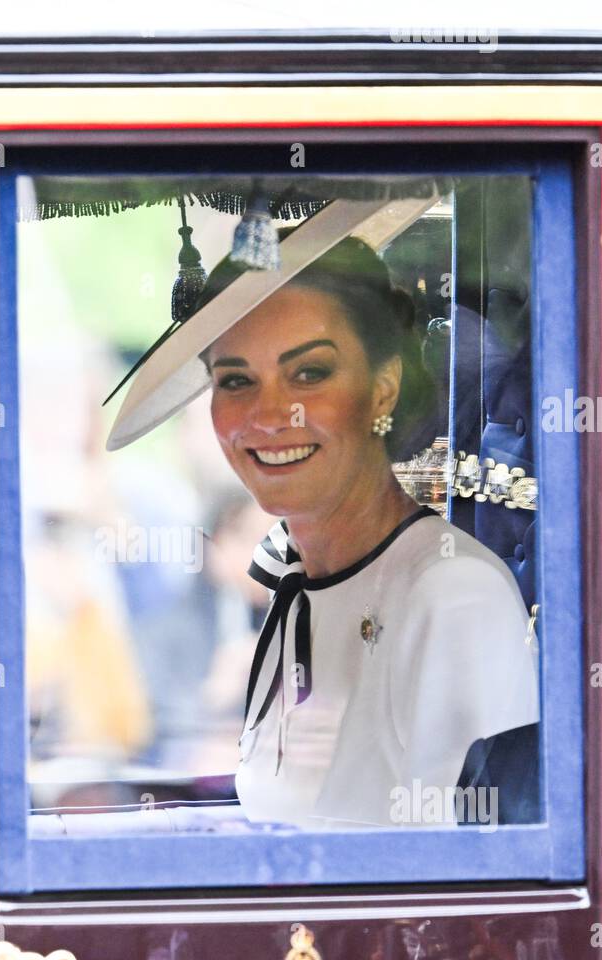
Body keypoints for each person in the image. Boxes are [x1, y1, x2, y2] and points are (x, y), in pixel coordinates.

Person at [104, 210, 540, 827]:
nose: (269, 415)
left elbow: (477, 883)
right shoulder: (293, 585)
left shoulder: (450, 595)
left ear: (383, 389)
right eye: (236, 380)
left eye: (309, 373)